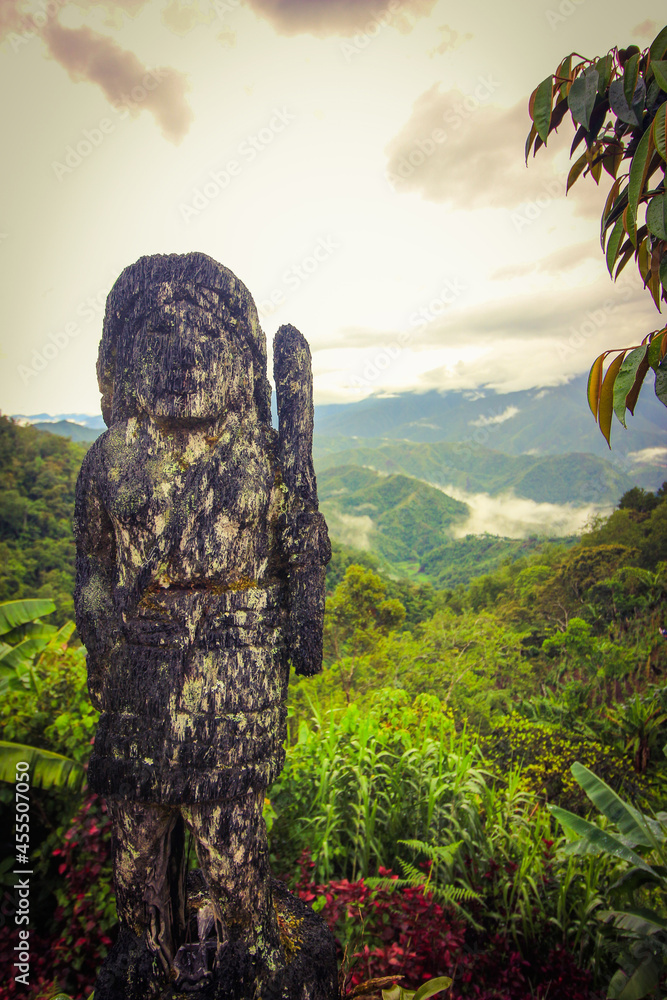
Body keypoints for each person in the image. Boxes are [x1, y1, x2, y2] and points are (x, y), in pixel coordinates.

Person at [74, 252, 330, 994]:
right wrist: (102, 641)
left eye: (208, 334)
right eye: (158, 332)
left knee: (231, 848)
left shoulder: (264, 458)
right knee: (135, 852)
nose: (184, 353)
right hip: (140, 671)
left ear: (243, 363)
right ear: (119, 360)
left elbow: (296, 568)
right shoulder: (109, 460)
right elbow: (92, 566)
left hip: (236, 674)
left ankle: (232, 951)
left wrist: (306, 550)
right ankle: (153, 956)